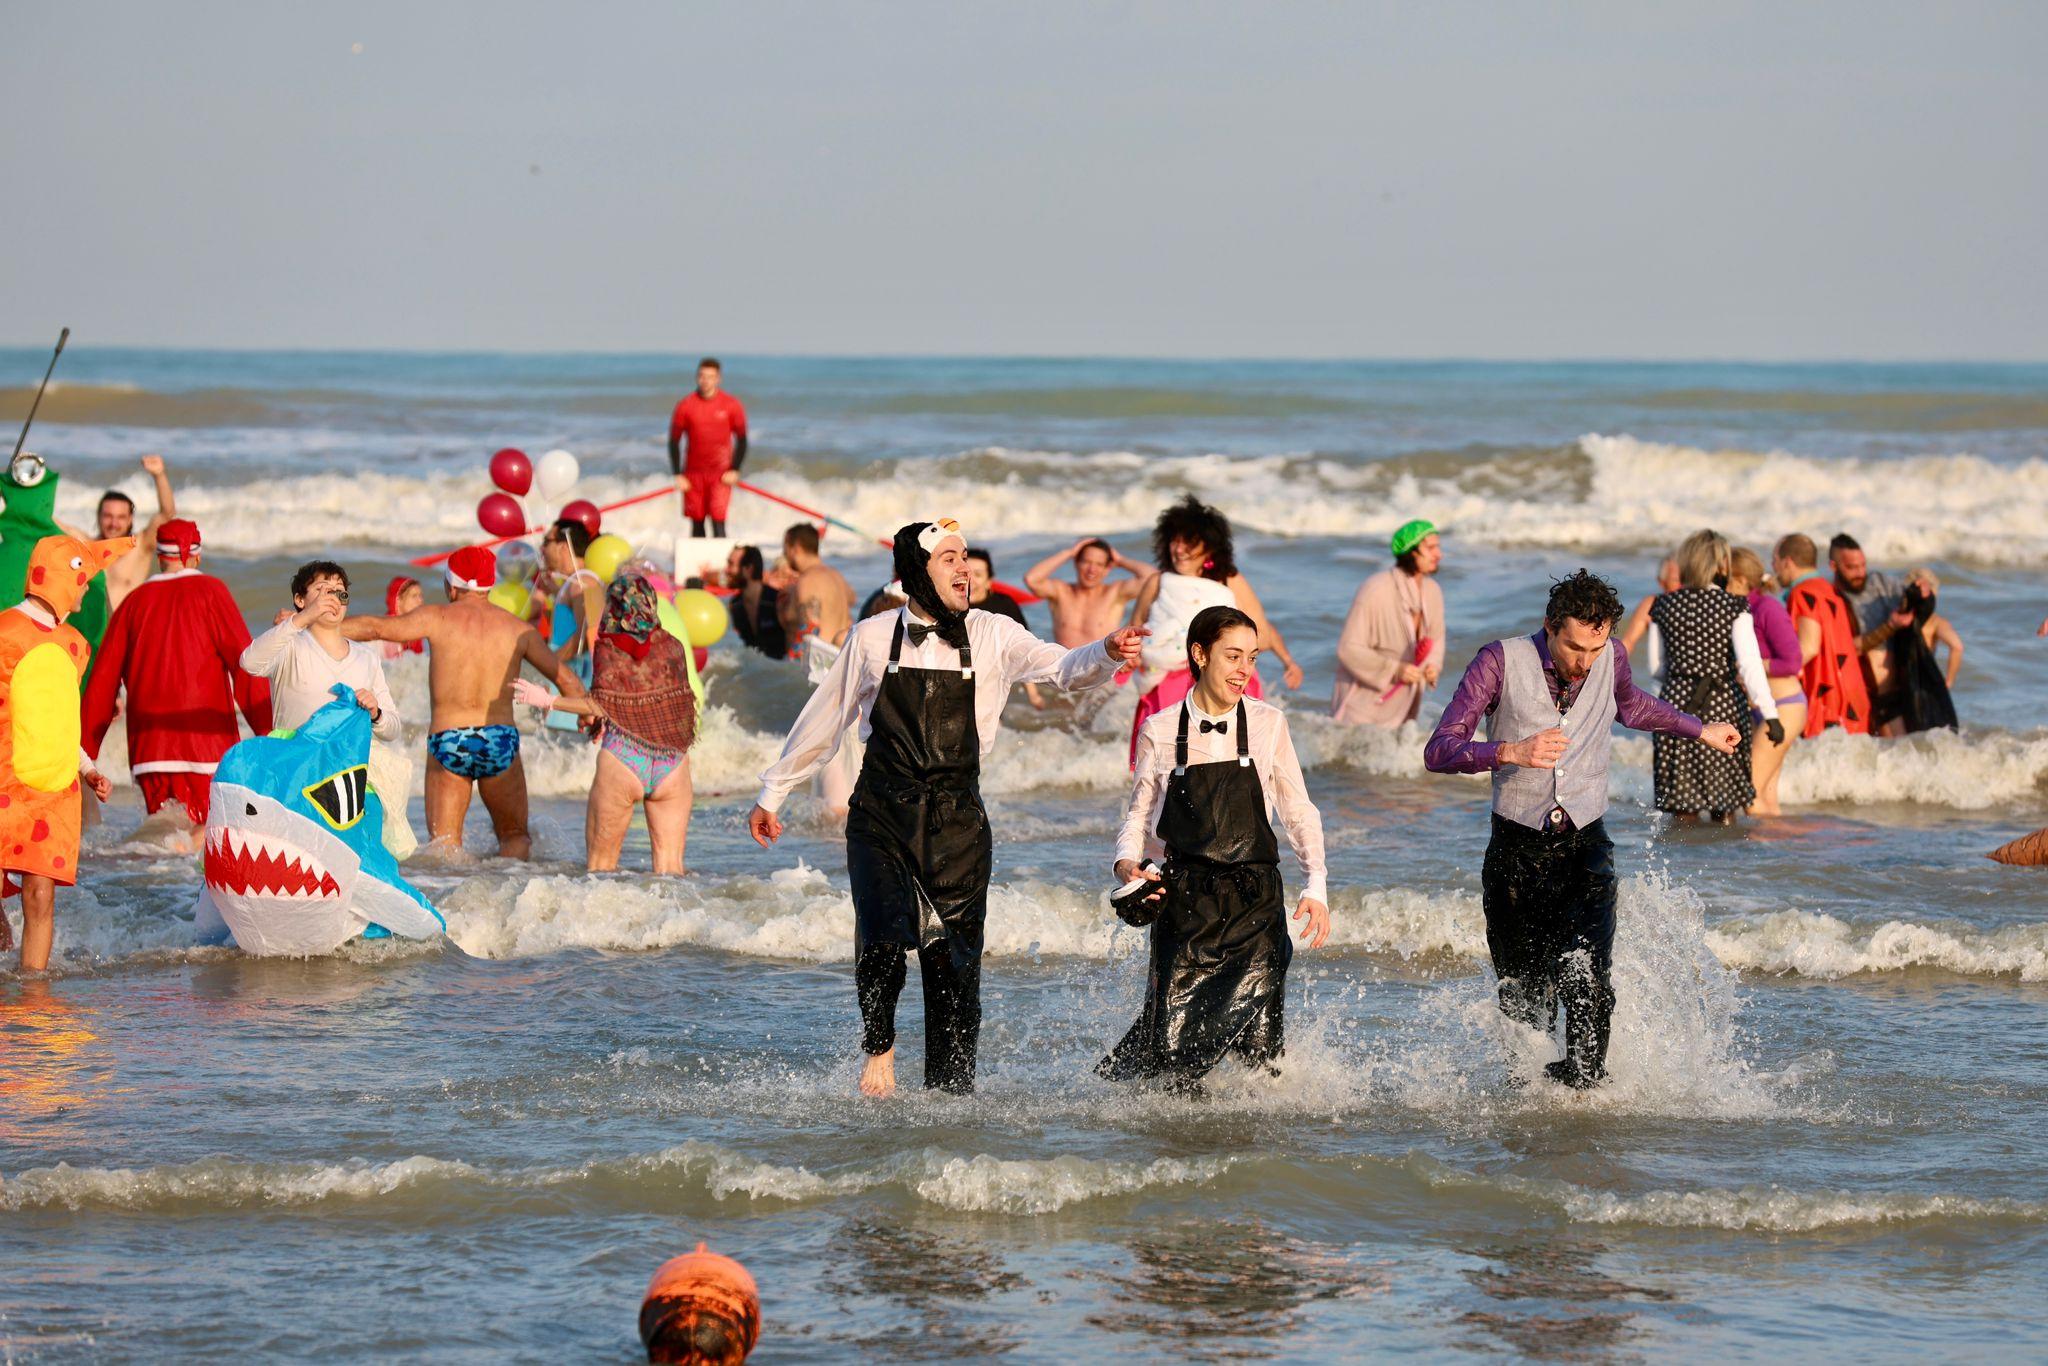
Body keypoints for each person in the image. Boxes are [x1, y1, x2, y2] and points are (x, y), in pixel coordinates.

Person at [746, 518, 1145, 1098]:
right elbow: (824, 719)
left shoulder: (993, 632)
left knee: (953, 969)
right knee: (883, 938)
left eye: (965, 558)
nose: (964, 568)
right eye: (950, 558)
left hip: (958, 820)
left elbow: (1062, 667)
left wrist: (1106, 652)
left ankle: (950, 1095)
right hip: (882, 811)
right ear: (917, 573)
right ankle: (879, 1047)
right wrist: (774, 792)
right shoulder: (872, 636)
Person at [1424, 569, 1738, 1088]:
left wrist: (1699, 729)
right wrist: (1508, 752)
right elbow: (1439, 750)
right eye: (1574, 648)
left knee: (1589, 982)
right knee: (1525, 998)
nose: (1584, 663)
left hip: (1586, 847)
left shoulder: (1610, 656)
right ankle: (1531, 1103)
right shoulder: (1498, 661)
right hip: (1516, 855)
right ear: (1549, 625)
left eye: (1595, 649)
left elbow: (1632, 705)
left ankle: (1585, 1098)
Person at [1103, 605, 1330, 1093]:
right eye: (1233, 656)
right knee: (1167, 1062)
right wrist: (1126, 865)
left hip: (1256, 903)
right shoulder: (1160, 729)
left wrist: (1317, 885)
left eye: (1252, 657)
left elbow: (1298, 810)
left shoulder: (1270, 723)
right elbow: (1138, 817)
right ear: (1200, 654)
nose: (1245, 669)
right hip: (1186, 908)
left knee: (1261, 1063)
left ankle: (1254, 1141)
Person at [341, 546, 588, 859]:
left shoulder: (436, 617)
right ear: (489, 587)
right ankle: (509, 884)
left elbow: (376, 627)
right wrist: (587, 716)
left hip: (449, 739)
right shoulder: (519, 629)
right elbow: (566, 679)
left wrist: (316, 625)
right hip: (499, 739)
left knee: (444, 847)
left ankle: (455, 893)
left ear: (451, 585)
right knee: (515, 838)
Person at [80, 519, 272, 840]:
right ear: (195, 556)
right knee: (203, 841)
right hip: (204, 746)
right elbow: (246, 667)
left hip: (149, 752)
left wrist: (85, 753)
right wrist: (267, 731)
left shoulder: (134, 602)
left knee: (163, 838)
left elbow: (103, 681)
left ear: (159, 557)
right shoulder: (212, 591)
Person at [0, 532, 133, 971]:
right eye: (82, 578)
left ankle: (32, 987)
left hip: (54, 788)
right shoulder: (4, 631)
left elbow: (59, 721)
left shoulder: (75, 645)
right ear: (60, 576)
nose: (87, 588)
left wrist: (88, 769)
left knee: (40, 894)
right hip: (4, 781)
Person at [515, 574, 698, 873]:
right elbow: (668, 704)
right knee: (671, 873)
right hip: (673, 762)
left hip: (624, 759)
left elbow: (600, 704)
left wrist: (548, 700)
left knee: (600, 870)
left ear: (613, 608)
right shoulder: (672, 647)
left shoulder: (609, 648)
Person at [242, 560, 415, 858]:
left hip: (348, 774)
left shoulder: (366, 658)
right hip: (293, 770)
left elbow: (393, 729)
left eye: (340, 592)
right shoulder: (291, 647)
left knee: (348, 855)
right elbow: (249, 662)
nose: (333, 598)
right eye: (323, 591)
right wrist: (301, 620)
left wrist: (376, 714)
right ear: (300, 599)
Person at [1127, 496, 1303, 766]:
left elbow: (1261, 630)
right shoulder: (1158, 582)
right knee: (1166, 762)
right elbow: (1135, 630)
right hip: (1166, 680)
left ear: (1209, 547)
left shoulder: (1228, 580)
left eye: (1189, 543)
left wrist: (1288, 661)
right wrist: (1130, 656)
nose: (1179, 549)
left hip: (1224, 678)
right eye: (1175, 541)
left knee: (1231, 760)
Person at [1649, 530, 1782, 823]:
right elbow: (1749, 665)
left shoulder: (1663, 605)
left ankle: (1682, 854)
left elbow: (1657, 668)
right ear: (1722, 565)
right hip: (1723, 705)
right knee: (1724, 804)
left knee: (1682, 805)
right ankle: (1725, 852)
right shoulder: (1733, 606)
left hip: (1676, 707)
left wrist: (1663, 707)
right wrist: (1770, 714)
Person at [1331, 519, 1446, 728]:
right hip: (1361, 708)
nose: (1439, 554)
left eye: (1438, 547)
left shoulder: (1433, 591)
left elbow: (1436, 639)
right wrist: (1395, 669)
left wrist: (1432, 666)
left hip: (1404, 707)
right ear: (1410, 551)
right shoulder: (1375, 589)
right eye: (1430, 548)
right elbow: (1347, 648)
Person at [1727, 547, 1806, 817]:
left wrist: (1755, 665)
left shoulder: (1767, 607)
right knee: (1767, 796)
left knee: (1749, 794)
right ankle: (1779, 844)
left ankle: (1771, 844)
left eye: (1722, 578)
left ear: (1739, 579)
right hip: (1760, 709)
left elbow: (1793, 662)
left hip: (1785, 706)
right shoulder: (1735, 610)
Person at [1773, 533, 1872, 737]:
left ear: (1787, 562)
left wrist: (1770, 671)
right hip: (1853, 692)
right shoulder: (1830, 590)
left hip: (1827, 696)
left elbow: (1809, 647)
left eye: (1774, 561)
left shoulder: (1802, 592)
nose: (1773, 568)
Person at [1871, 569, 1962, 735]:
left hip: (1892, 683)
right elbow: (1957, 647)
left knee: (1893, 740)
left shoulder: (1896, 619)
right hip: (1920, 686)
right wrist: (1949, 681)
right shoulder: (1936, 622)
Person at [668, 358, 749, 538]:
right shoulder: (685, 405)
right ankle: (698, 557)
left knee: (718, 522)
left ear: (718, 379)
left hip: (721, 474)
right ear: (697, 377)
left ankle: (722, 557)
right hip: (692, 475)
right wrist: (678, 474)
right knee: (697, 524)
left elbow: (742, 439)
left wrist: (735, 469)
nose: (705, 381)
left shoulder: (731, 405)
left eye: (710, 377)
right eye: (702, 376)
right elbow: (674, 441)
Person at [1023, 537, 1153, 648]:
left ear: (1107, 568)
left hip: (1101, 666)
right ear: (1076, 563)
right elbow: (1031, 579)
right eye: (1086, 562)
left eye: (1099, 564)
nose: (1092, 570)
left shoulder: (1115, 593)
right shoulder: (1060, 592)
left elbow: (1152, 578)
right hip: (1065, 665)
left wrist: (1120, 559)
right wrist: (1069, 553)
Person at [92, 454, 177, 610]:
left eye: (121, 517)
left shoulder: (140, 546)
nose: (114, 524)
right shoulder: (86, 547)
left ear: (130, 519)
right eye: (108, 516)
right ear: (98, 516)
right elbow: (49, 523)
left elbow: (167, 513)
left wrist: (159, 475)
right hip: (94, 626)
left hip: (125, 624)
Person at [540, 518, 603, 681]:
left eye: (546, 542)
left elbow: (584, 638)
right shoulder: (575, 582)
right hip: (568, 675)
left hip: (574, 679)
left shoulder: (582, 582)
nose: (542, 548)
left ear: (563, 547)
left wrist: (546, 666)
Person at [775, 523, 854, 653]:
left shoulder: (807, 581)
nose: (784, 553)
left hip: (819, 659)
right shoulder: (837, 576)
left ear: (796, 548)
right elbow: (852, 599)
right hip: (840, 654)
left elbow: (809, 629)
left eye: (785, 548)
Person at [1618, 556, 1682, 680]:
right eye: (1676, 580)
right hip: (1663, 682)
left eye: (1684, 579)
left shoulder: (1699, 604)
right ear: (1661, 582)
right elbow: (1628, 642)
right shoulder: (1652, 604)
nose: (1681, 585)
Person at [723, 544, 787, 660]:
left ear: (749, 569)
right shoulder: (734, 605)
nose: (726, 570)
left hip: (780, 668)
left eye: (731, 564)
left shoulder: (778, 600)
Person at [381, 577, 426, 661]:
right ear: (398, 600)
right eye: (414, 596)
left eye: (420, 595)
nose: (420, 600)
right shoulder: (388, 628)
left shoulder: (415, 627)